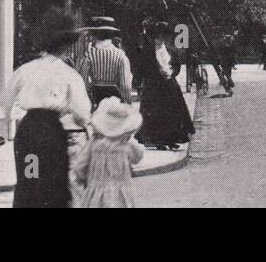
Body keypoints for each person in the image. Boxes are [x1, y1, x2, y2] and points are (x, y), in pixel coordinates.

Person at [0, 8, 91, 208]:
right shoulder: (69, 74)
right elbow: (83, 112)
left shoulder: (25, 70)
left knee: (29, 178)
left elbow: (4, 104)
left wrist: (14, 117)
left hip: (28, 131)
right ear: (66, 44)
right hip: (51, 132)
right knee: (53, 183)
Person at [74, 97, 145, 208]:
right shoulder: (126, 145)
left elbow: (80, 166)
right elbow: (138, 156)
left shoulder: (94, 144)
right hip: (120, 195)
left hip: (96, 194)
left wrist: (84, 177)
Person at [135, 20, 195, 150]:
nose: (160, 39)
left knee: (172, 112)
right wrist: (143, 82)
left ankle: (171, 138)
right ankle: (158, 140)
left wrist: (172, 72)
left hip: (169, 85)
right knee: (157, 114)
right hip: (154, 86)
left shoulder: (169, 50)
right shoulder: (148, 51)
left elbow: (176, 65)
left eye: (163, 36)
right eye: (158, 36)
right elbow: (141, 68)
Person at [84, 23, 132, 108]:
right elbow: (125, 85)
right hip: (114, 98)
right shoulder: (120, 55)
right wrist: (127, 104)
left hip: (96, 96)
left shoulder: (88, 54)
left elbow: (83, 80)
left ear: (95, 35)